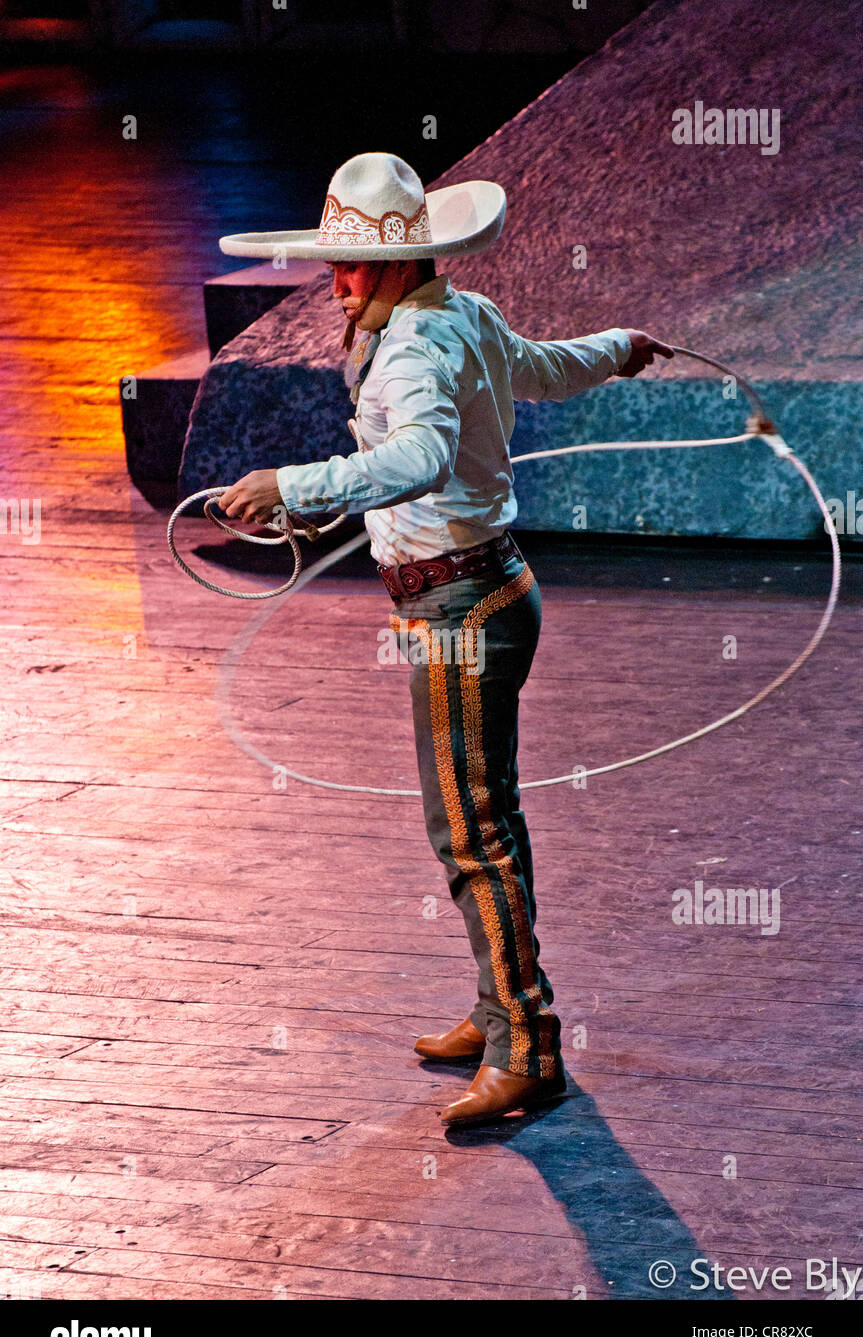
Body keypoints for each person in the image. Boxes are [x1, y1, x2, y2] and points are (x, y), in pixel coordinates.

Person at [216, 152, 672, 1125]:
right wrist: (618, 345)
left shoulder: (419, 346)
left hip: (460, 610)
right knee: (482, 822)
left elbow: (417, 457)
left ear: (395, 265)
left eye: (349, 265)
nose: (333, 283)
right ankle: (497, 1006)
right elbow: (546, 365)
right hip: (482, 592)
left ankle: (526, 1044)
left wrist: (291, 487)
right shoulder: (463, 315)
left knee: (469, 833)